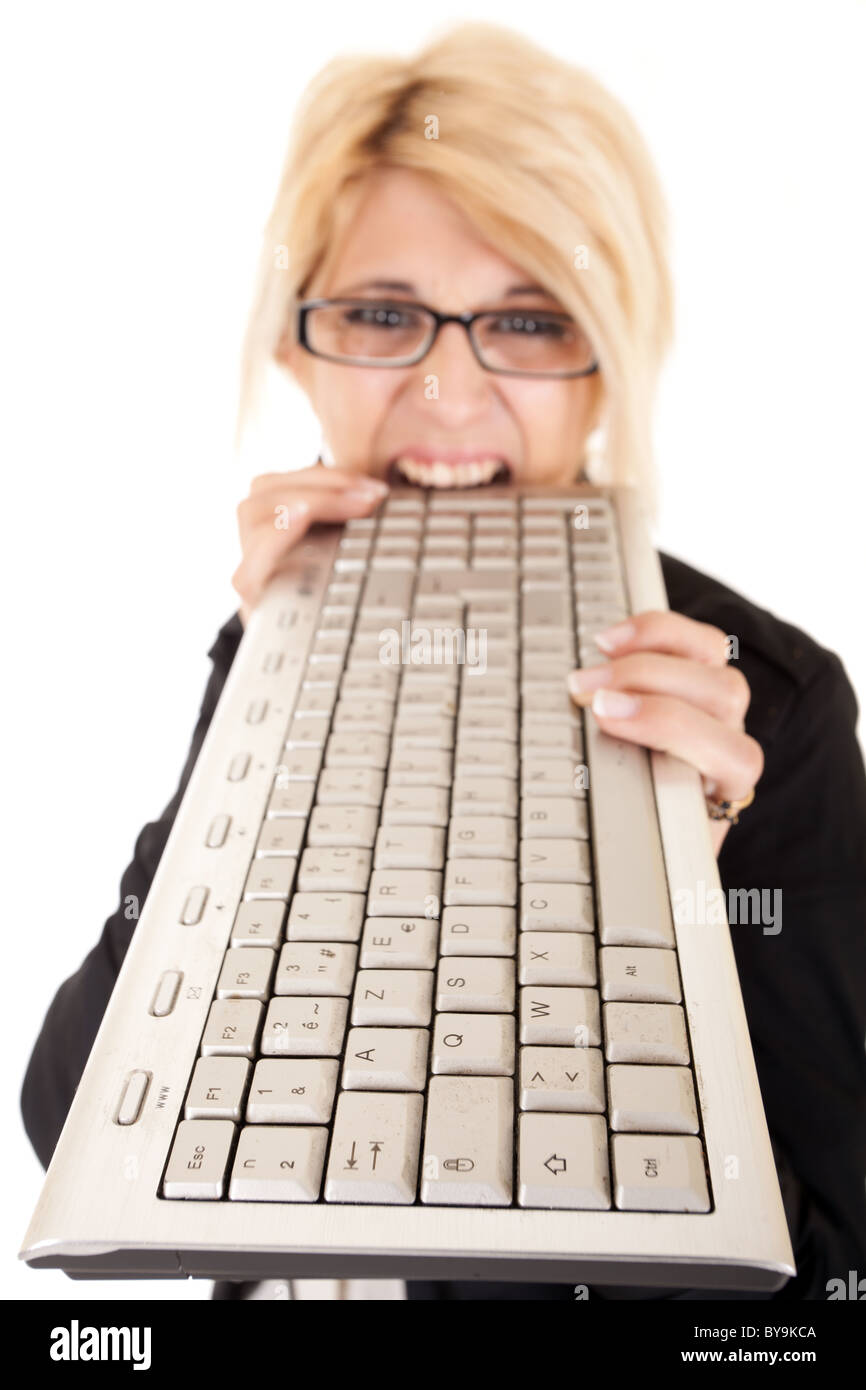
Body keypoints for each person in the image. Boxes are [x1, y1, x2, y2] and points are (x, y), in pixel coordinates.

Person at [21, 22, 866, 1303]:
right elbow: (75, 1118)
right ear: (291, 345)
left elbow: (829, 1292)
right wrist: (268, 673)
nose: (447, 395)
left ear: (612, 358)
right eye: (380, 315)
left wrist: (668, 919)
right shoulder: (272, 625)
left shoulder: (763, 704)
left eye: (528, 321)